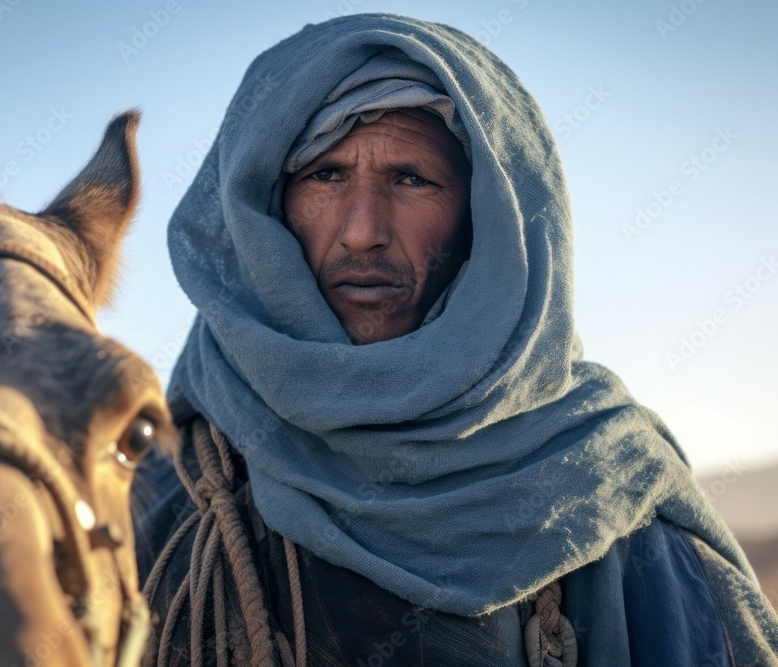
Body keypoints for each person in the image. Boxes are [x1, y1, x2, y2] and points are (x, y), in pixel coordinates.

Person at [131, 13, 778, 666]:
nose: (362, 230)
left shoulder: (610, 493)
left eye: (412, 178)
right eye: (325, 175)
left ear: (486, 222)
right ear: (265, 211)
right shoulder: (156, 494)